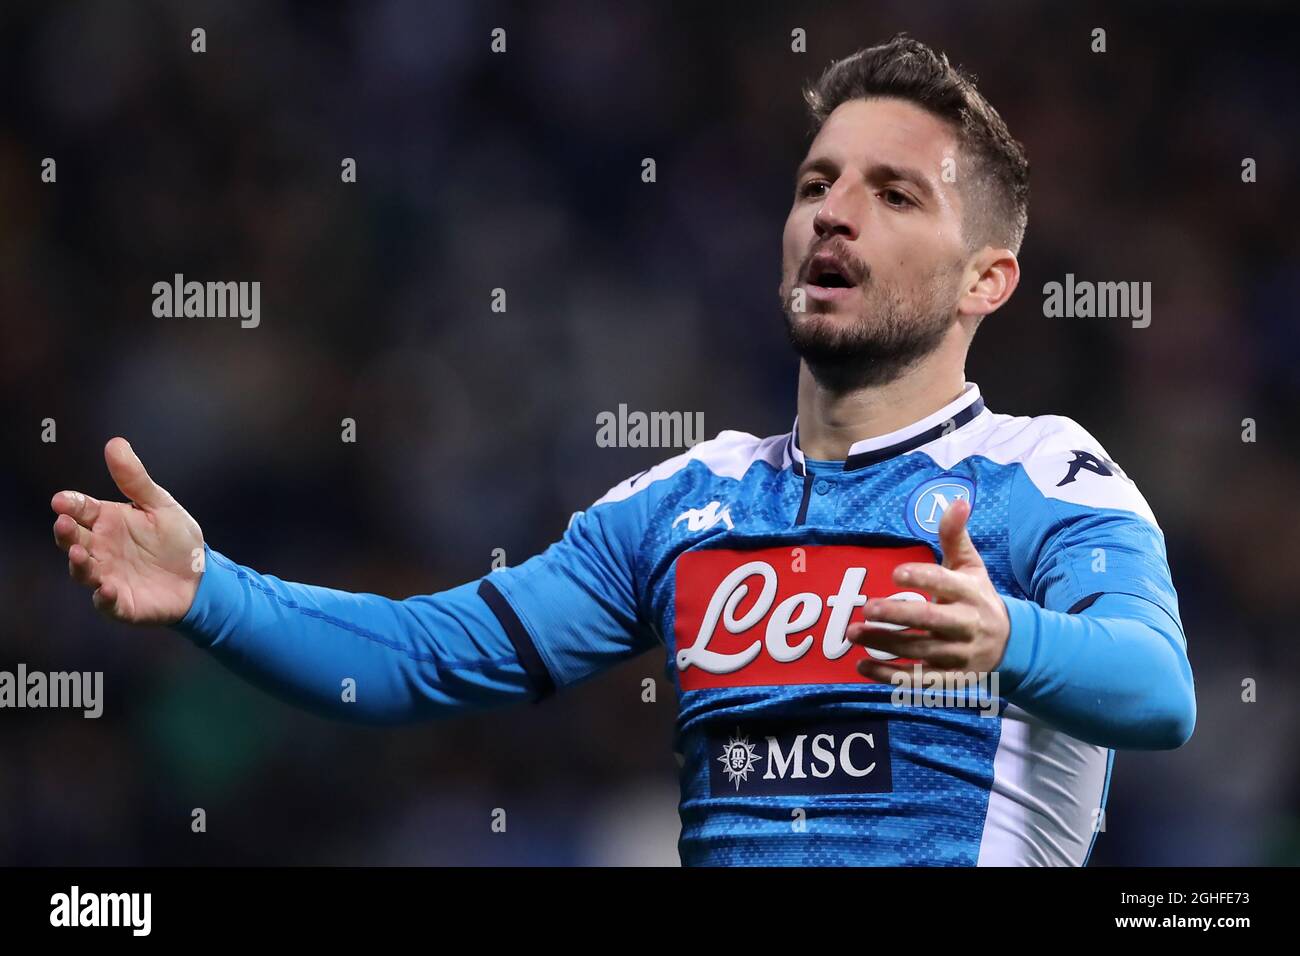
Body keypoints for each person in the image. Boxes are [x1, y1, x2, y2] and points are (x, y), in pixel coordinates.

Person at [50, 35, 1195, 866]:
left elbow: (1158, 688)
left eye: (893, 194)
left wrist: (1007, 637)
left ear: (986, 278)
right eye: (814, 185)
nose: (832, 214)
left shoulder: (1042, 474)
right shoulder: (686, 501)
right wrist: (208, 589)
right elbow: (416, 657)